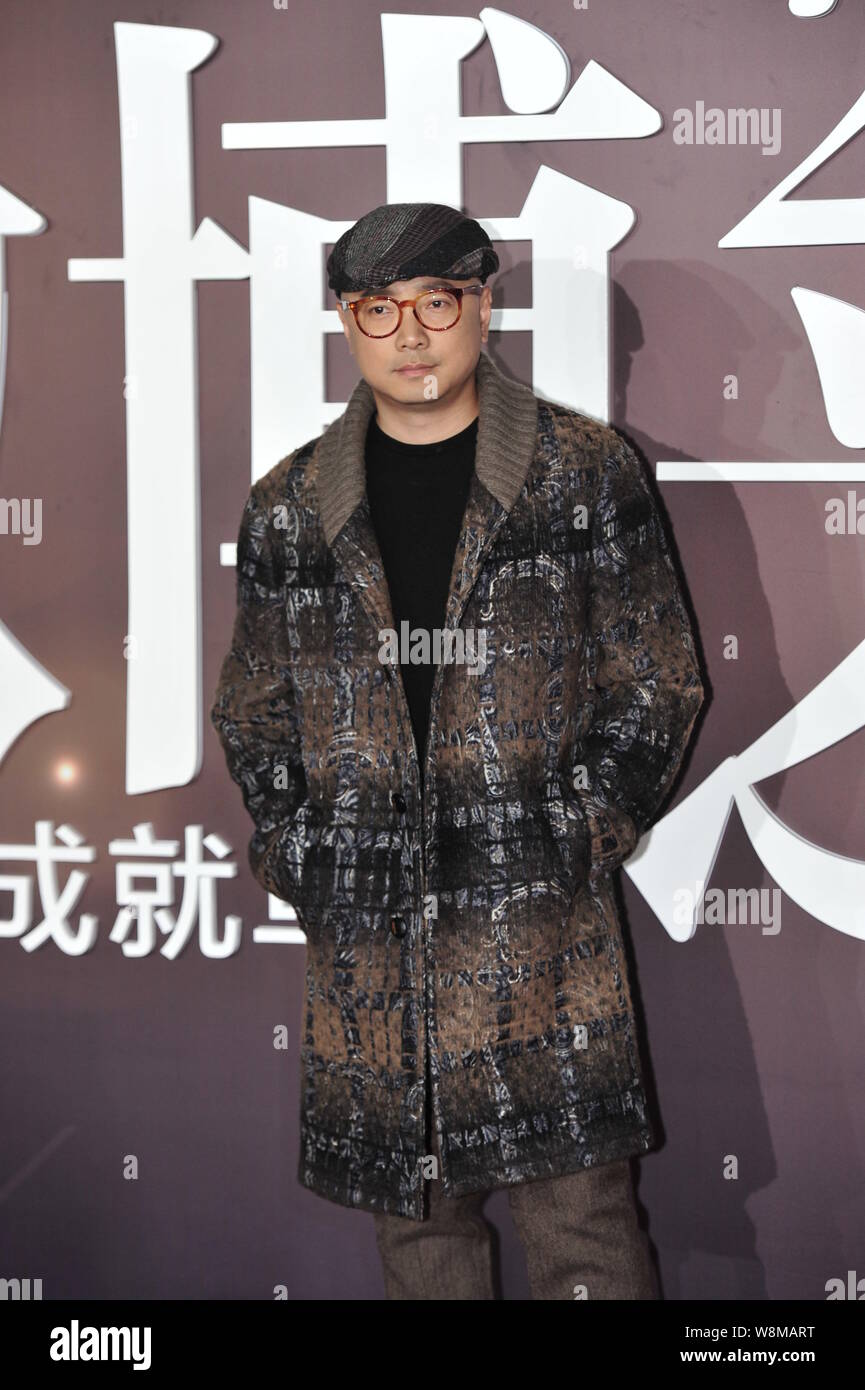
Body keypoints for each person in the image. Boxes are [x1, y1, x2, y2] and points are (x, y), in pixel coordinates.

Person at [210, 201, 705, 1299]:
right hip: (374, 944)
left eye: (438, 302)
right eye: (377, 309)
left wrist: (578, 830)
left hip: (540, 932)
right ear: (347, 322)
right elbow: (252, 707)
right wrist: (302, 852)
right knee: (421, 1245)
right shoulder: (291, 506)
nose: (411, 333)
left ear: (481, 306)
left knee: (584, 1233)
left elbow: (659, 676)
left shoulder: (580, 472)